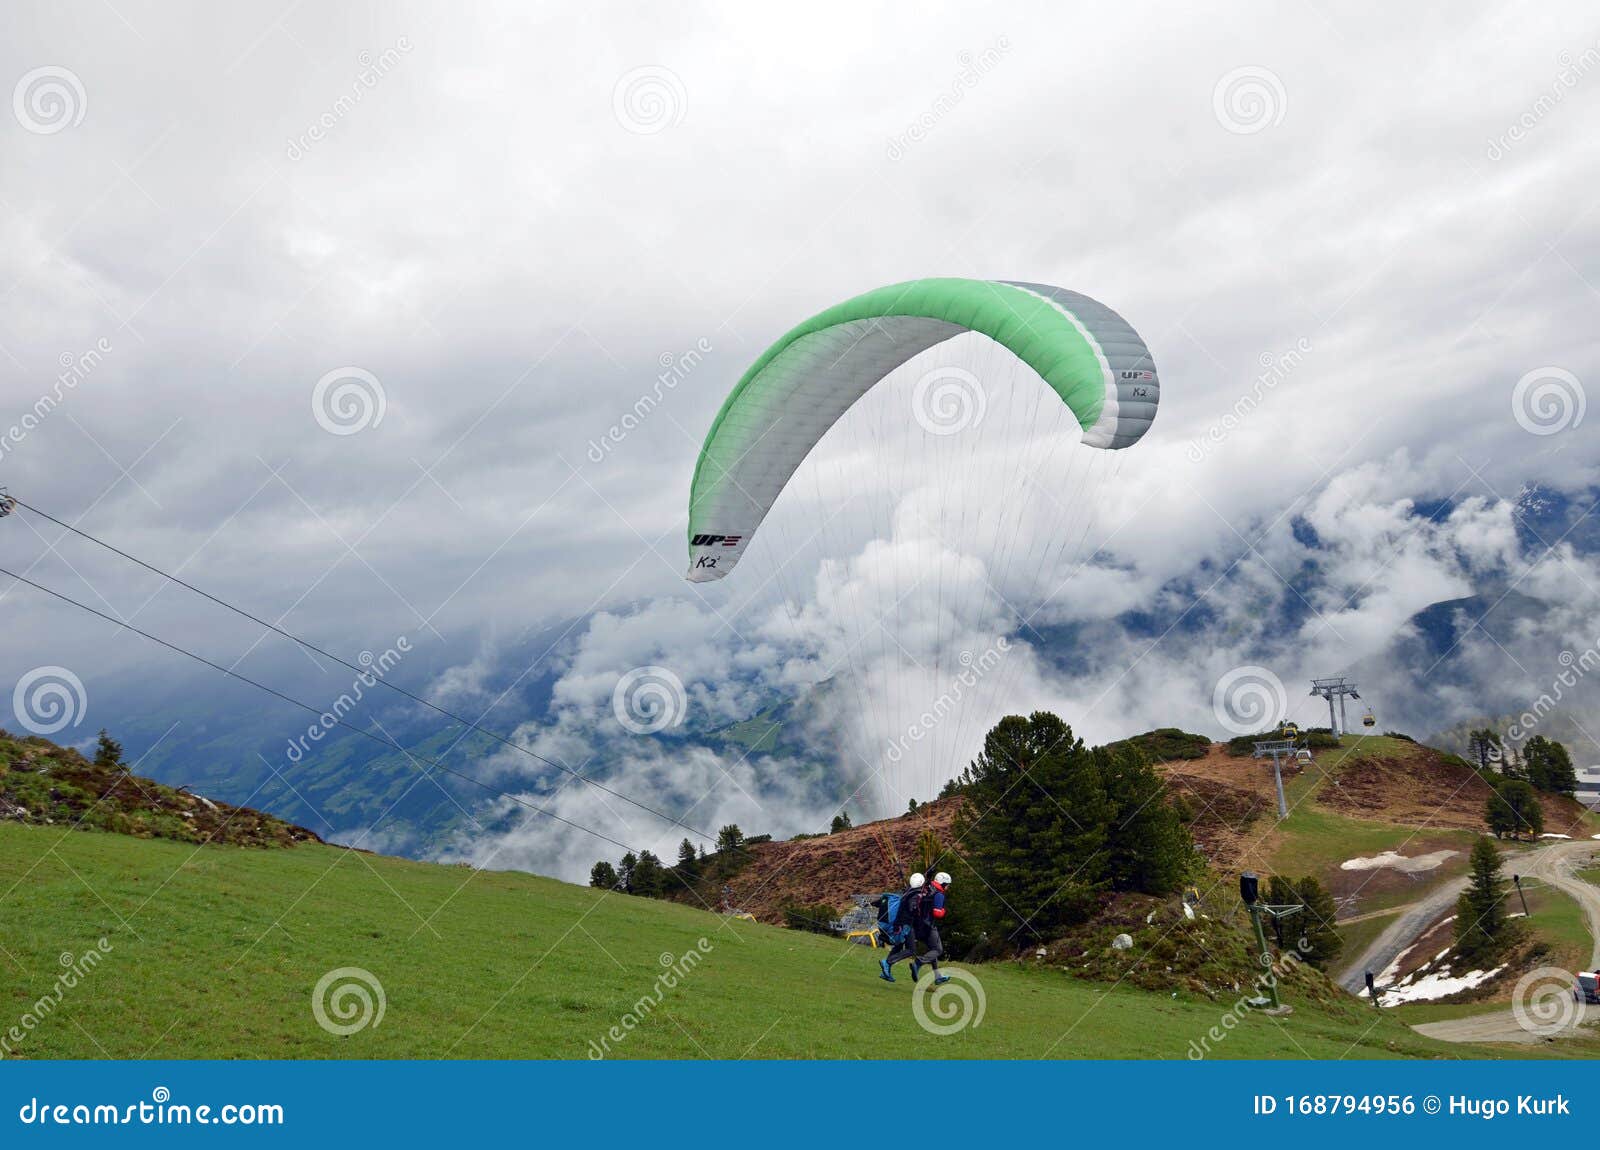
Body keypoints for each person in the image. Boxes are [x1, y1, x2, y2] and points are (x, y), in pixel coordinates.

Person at [877, 873, 924, 982]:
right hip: (906, 925)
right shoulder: (914, 895)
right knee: (911, 950)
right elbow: (910, 911)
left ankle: (886, 971)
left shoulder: (908, 892)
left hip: (902, 924)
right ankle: (887, 962)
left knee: (898, 946)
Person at [908, 871, 952, 985]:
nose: (947, 887)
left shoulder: (927, 888)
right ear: (942, 884)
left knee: (932, 949)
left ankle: (937, 976)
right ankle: (919, 962)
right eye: (947, 884)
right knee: (938, 950)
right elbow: (937, 913)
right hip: (928, 926)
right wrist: (943, 911)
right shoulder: (939, 895)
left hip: (917, 924)